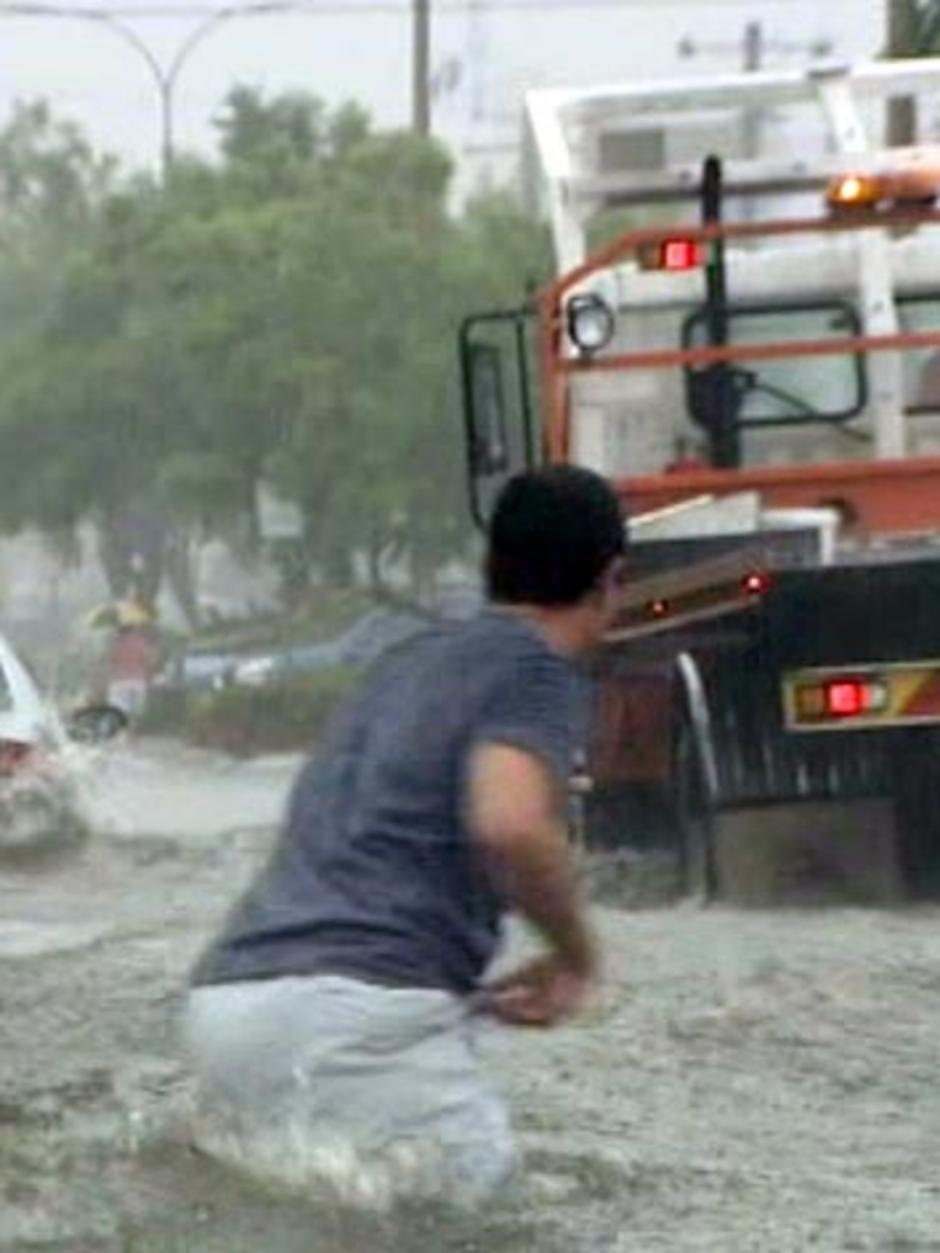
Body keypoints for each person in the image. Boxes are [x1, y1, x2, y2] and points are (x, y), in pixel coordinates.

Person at [182, 465, 628, 1207]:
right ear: (611, 579)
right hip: (362, 1013)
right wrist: (576, 956)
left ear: (494, 568)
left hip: (228, 1003)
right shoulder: (536, 671)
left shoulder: (401, 664)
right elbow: (512, 823)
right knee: (498, 1223)